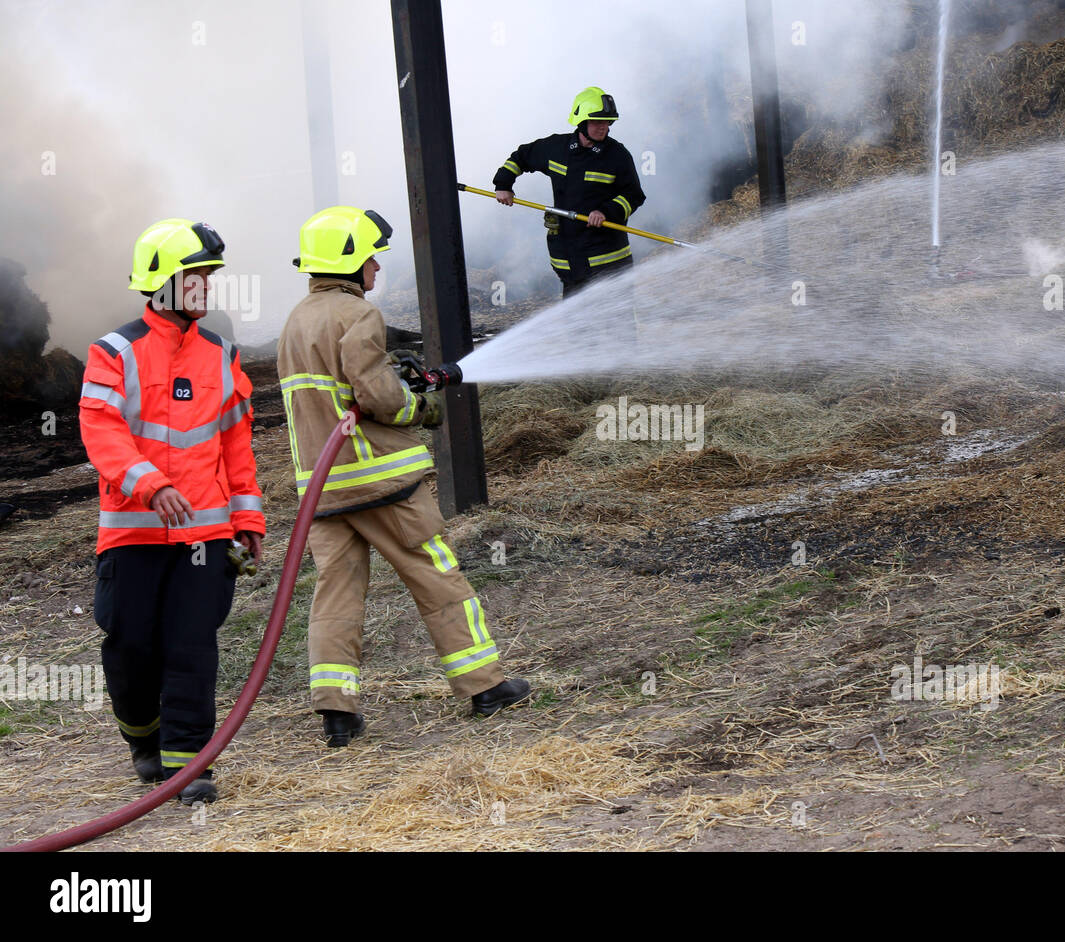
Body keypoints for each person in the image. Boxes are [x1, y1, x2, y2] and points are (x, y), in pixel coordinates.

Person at [277, 206, 529, 747]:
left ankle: (336, 712)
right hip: (383, 482)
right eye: (370, 257)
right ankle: (484, 686)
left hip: (323, 492)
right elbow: (377, 394)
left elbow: (333, 392)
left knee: (336, 595)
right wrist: (421, 408)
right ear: (348, 261)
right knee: (436, 575)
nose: (375, 268)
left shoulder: (295, 321)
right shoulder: (357, 315)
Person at [80, 218, 266, 806]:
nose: (208, 287)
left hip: (205, 534)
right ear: (163, 282)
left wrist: (249, 520)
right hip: (132, 534)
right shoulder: (113, 353)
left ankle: (189, 768)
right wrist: (150, 485)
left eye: (210, 276)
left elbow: (237, 445)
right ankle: (144, 740)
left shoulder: (221, 354)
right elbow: (100, 430)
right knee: (130, 645)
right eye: (198, 276)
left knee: (191, 646)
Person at [493, 86, 646, 299]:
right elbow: (522, 156)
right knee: (577, 327)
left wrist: (606, 212)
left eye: (607, 122)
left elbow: (634, 195)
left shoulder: (617, 155)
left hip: (607, 260)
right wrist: (503, 184)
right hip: (569, 260)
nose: (604, 127)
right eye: (597, 121)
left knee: (617, 326)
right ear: (581, 122)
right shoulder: (556, 148)